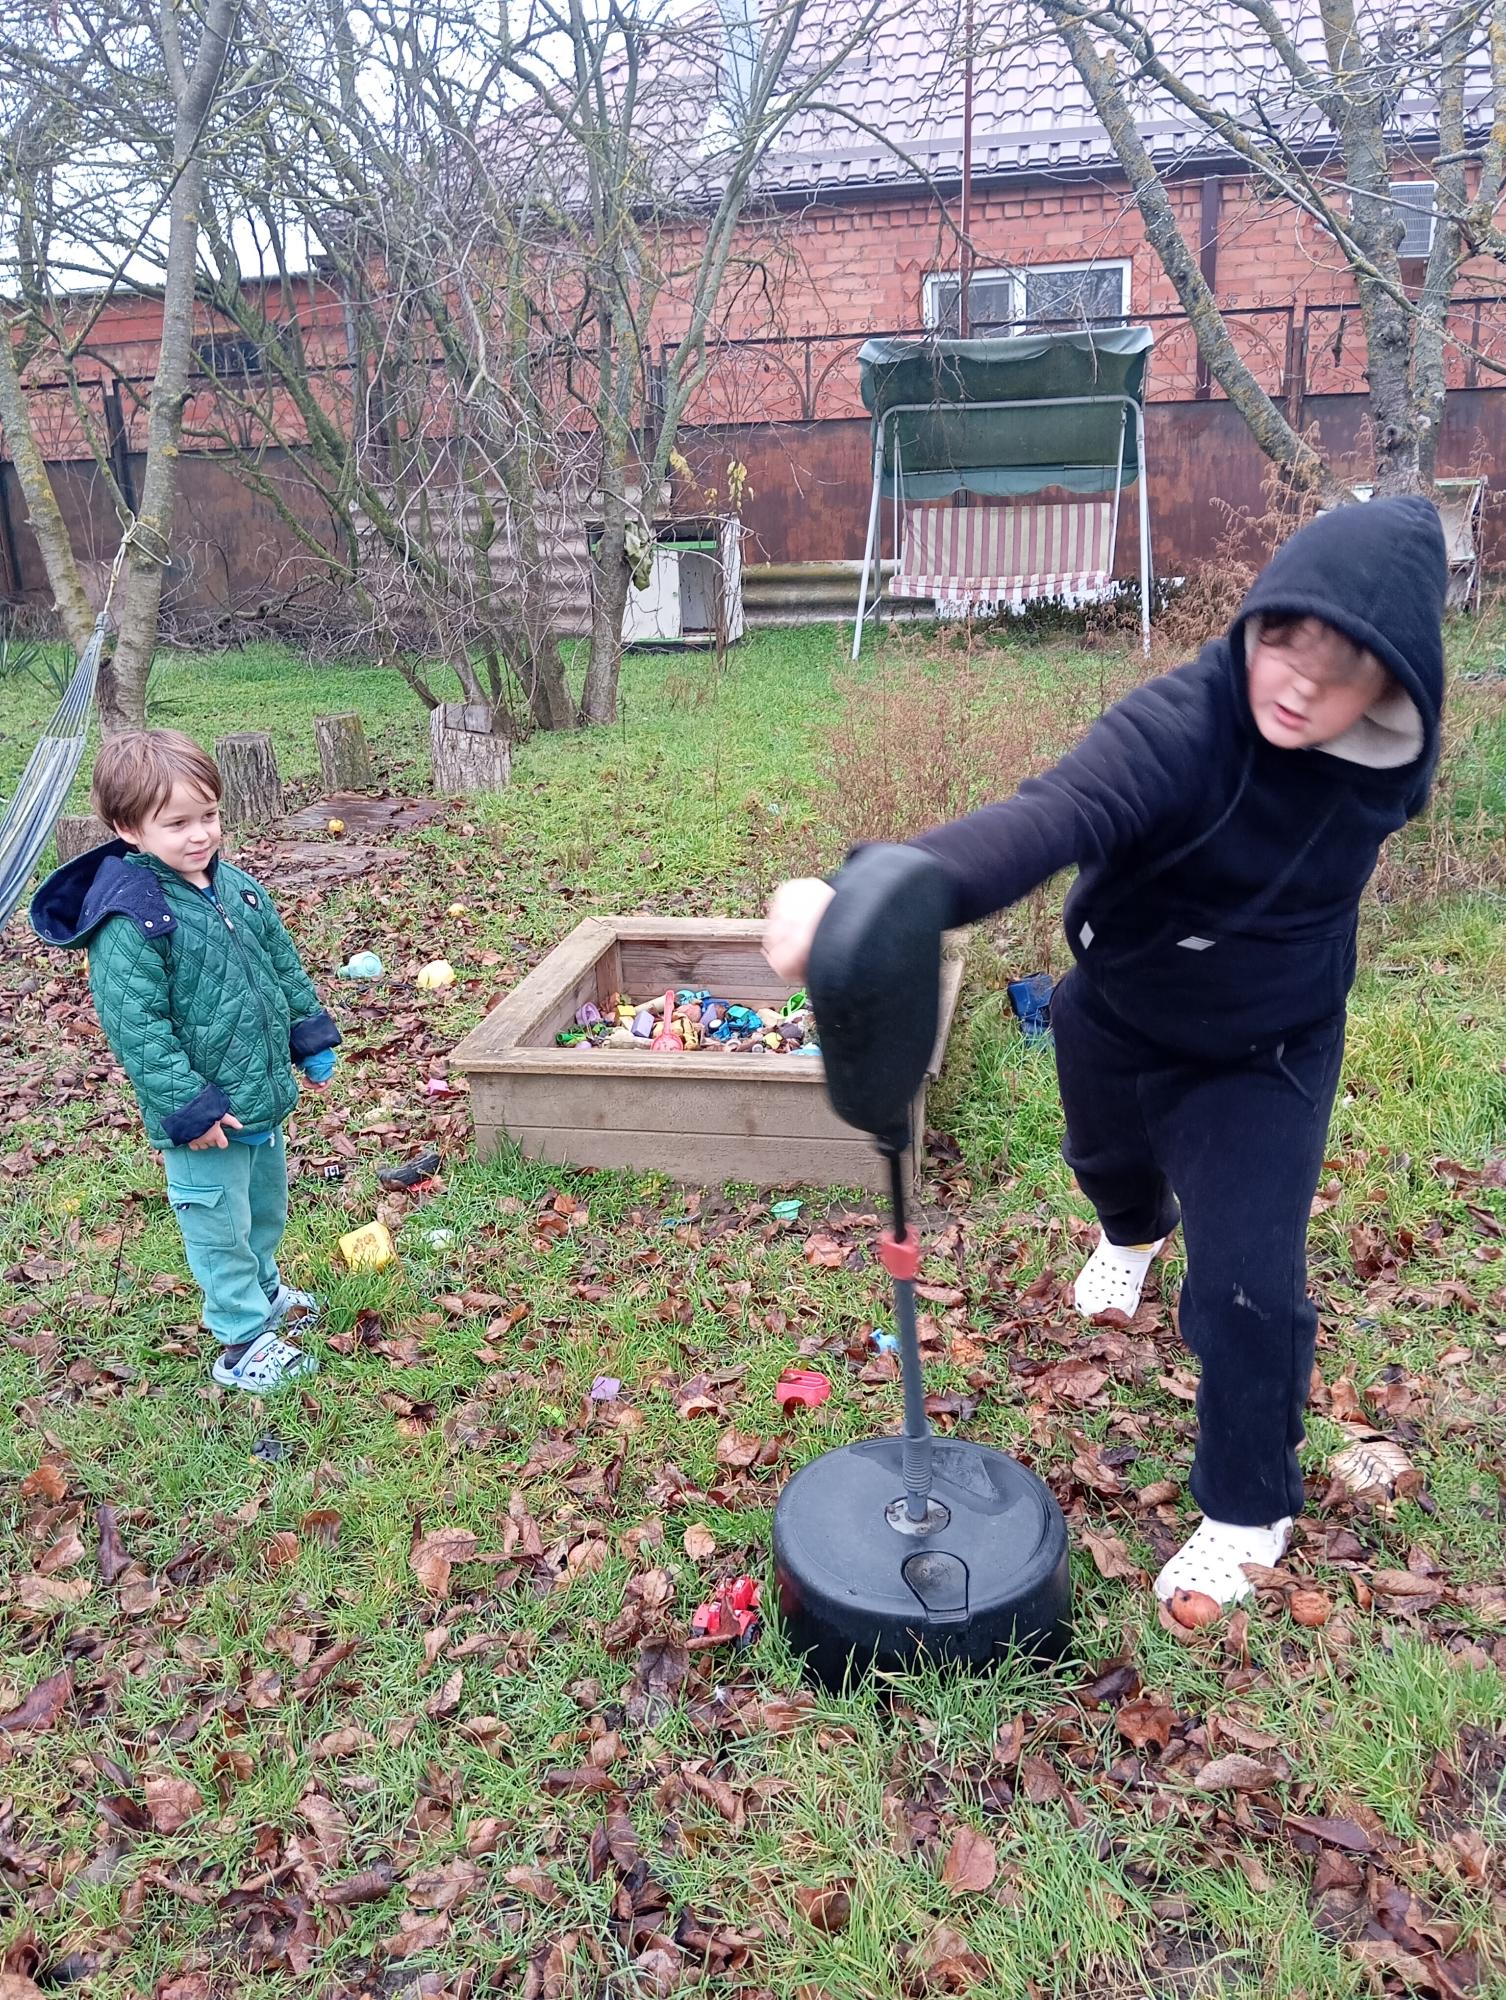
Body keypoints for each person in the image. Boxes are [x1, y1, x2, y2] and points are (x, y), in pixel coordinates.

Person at [766, 496, 1447, 1607]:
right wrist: (868, 897)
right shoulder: (1186, 722)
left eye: (1340, 670)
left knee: (1247, 1287)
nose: (1296, 684)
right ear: (1259, 621)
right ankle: (1132, 1229)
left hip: (1265, 1048)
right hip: (1119, 1008)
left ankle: (1248, 1502)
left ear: (1394, 688)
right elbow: (1053, 815)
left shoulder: (1387, 769)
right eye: (1285, 640)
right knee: (1106, 1160)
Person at [31, 730, 341, 1393]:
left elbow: (280, 963)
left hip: (259, 1097)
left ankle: (263, 1292)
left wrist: (308, 1034)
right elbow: (137, 1026)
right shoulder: (131, 917)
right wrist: (188, 1108)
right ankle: (240, 1341)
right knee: (217, 1227)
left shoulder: (236, 887)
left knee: (263, 1211)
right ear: (128, 828)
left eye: (208, 816)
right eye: (176, 824)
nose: (199, 835)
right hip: (206, 1116)